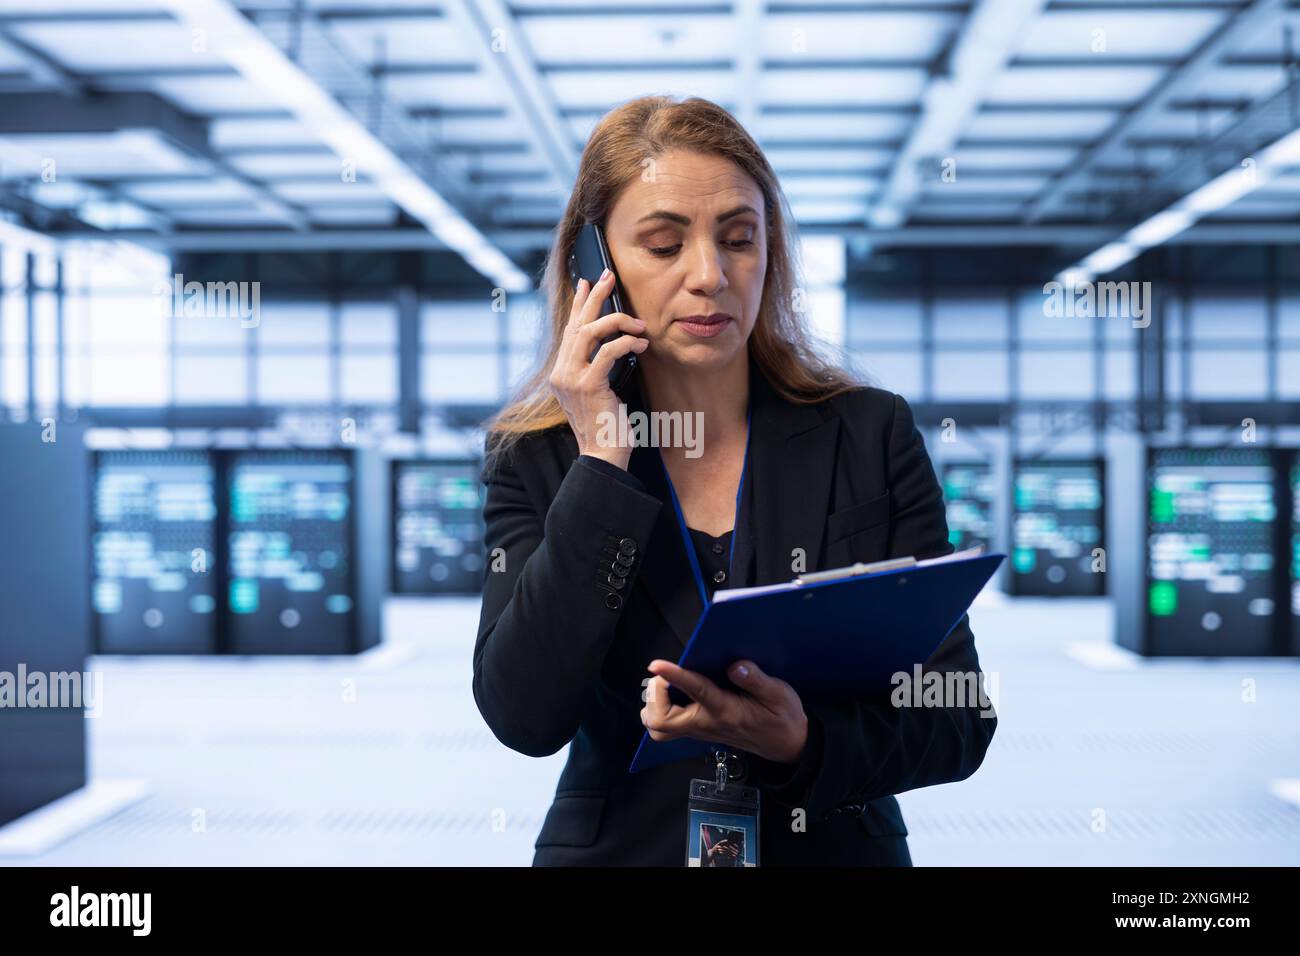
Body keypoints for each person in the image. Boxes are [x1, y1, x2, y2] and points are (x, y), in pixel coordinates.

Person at [474, 94, 996, 866]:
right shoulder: (538, 458)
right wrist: (601, 466)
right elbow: (525, 715)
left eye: (739, 239)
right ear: (598, 270)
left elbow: (956, 715)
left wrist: (804, 742)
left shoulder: (868, 434)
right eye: (662, 245)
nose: (710, 276)